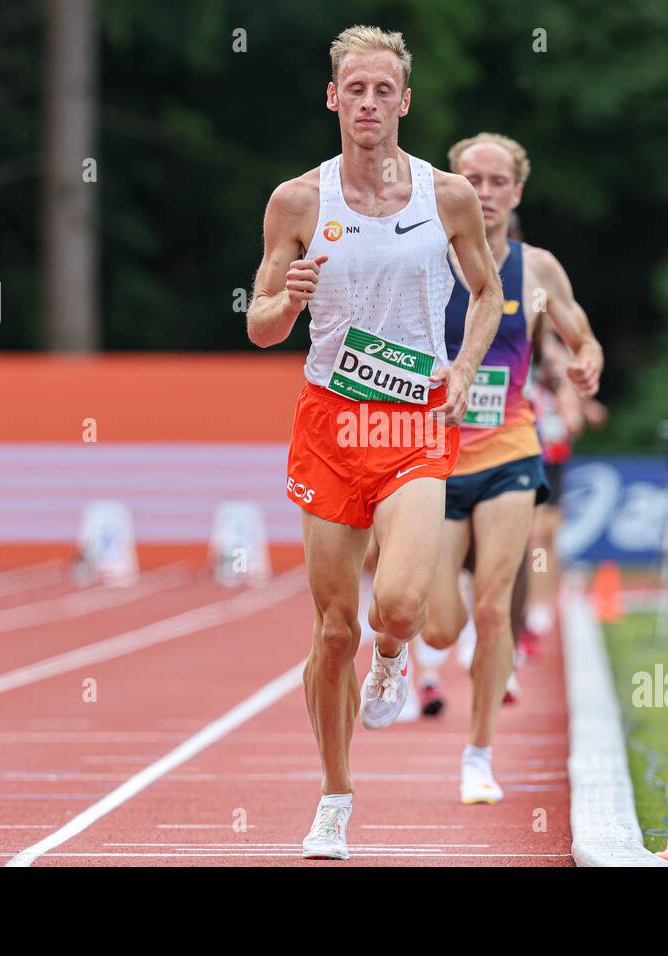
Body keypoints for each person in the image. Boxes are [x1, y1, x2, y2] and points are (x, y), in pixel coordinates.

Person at [246, 26, 502, 860]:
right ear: (332, 98)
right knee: (330, 634)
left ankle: (394, 659)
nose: (367, 103)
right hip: (330, 426)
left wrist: (462, 367)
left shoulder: (449, 196)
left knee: (397, 606)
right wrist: (287, 298)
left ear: (404, 101)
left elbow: (489, 293)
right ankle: (334, 797)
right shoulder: (296, 202)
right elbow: (259, 326)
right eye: (353, 89)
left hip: (415, 428)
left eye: (382, 90)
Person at [416, 132, 602, 804]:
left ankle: (478, 754)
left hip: (508, 450)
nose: (487, 194)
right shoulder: (421, 258)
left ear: (516, 193)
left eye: (499, 183)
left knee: (494, 609)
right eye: (474, 180)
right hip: (429, 461)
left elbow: (583, 336)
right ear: (452, 186)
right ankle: (403, 655)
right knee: (436, 624)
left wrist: (587, 364)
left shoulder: (537, 270)